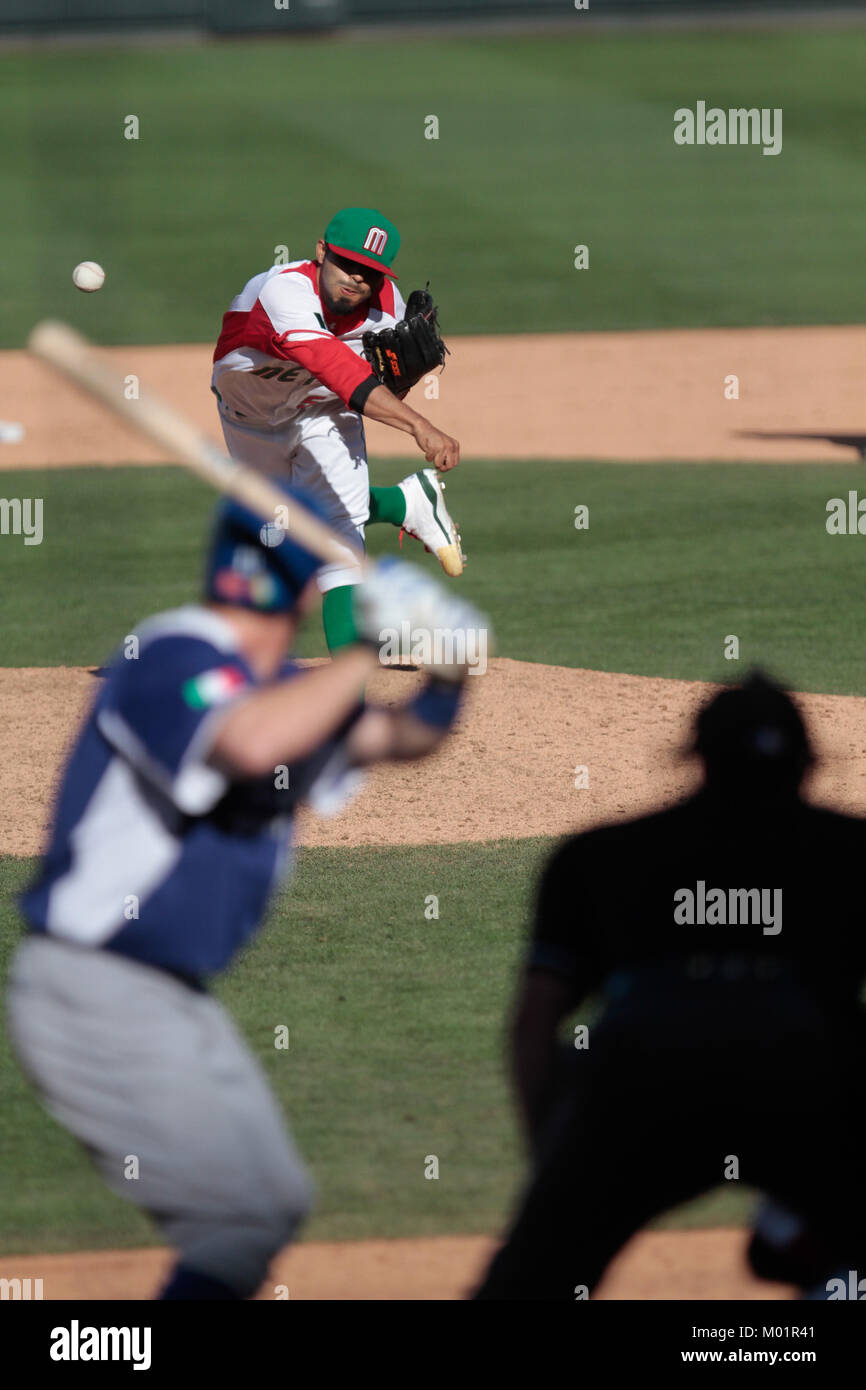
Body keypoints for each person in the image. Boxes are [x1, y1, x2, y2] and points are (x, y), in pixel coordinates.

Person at [7, 485, 486, 1301]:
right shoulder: (171, 655)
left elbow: (400, 738)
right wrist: (367, 650)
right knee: (236, 1222)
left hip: (174, 999)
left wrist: (449, 672)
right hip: (92, 990)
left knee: (272, 1204)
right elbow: (250, 742)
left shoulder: (282, 700)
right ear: (306, 592)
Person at [473, 672, 866, 1300]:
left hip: (640, 1083)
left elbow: (533, 1022)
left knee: (530, 1285)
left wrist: (559, 1164)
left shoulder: (598, 856)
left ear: (696, 759)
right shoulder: (853, 851)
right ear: (809, 764)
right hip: (807, 1079)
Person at [212, 206, 465, 653]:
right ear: (321, 252)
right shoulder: (282, 291)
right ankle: (404, 501)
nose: (356, 280)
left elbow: (376, 387)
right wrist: (419, 426)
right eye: (346, 264)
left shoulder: (389, 310)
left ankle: (348, 708)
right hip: (247, 416)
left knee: (339, 551)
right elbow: (334, 366)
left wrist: (403, 389)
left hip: (323, 412)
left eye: (369, 273)